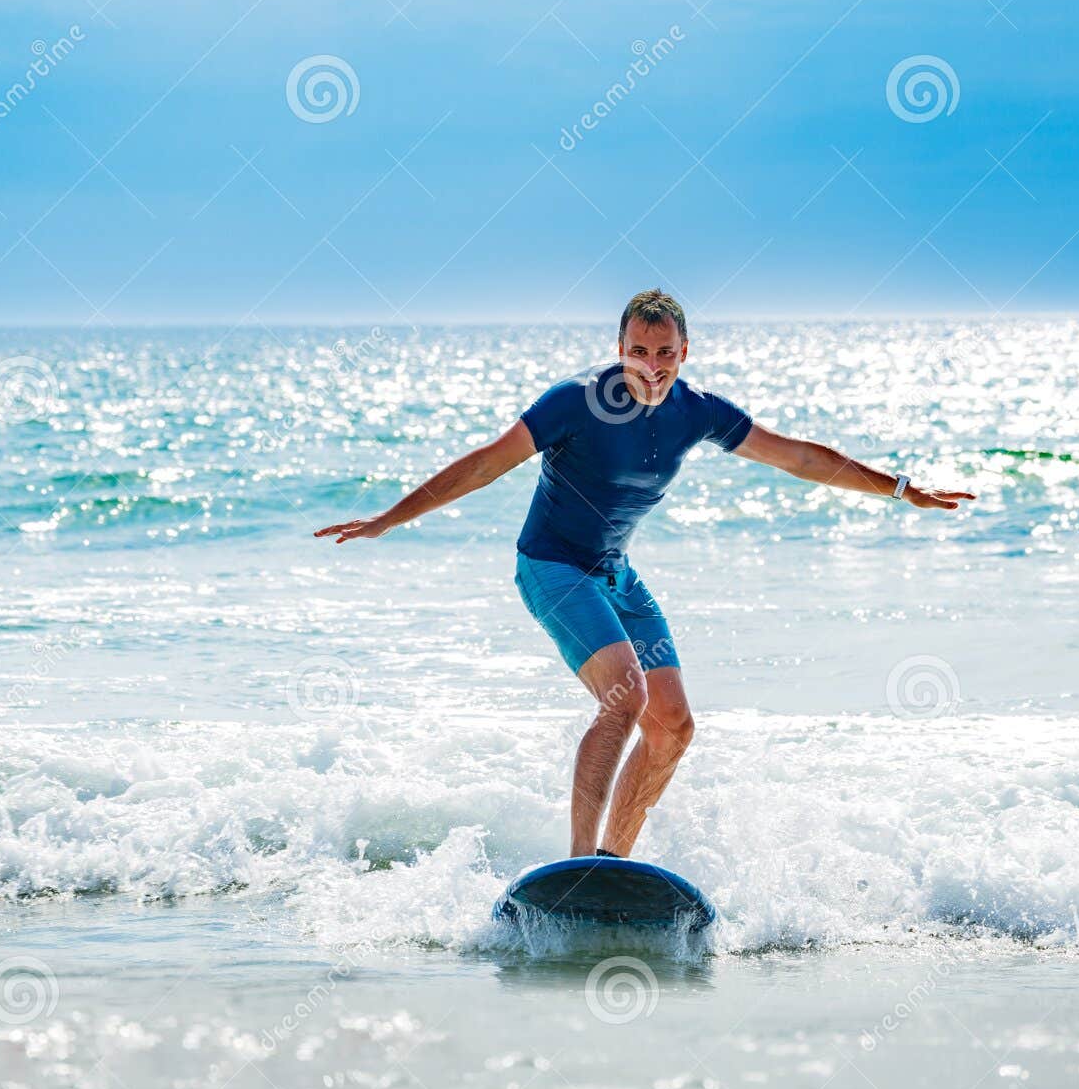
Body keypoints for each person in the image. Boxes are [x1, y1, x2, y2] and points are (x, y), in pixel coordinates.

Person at [315, 289, 974, 859]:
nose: (651, 369)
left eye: (664, 354)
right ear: (620, 347)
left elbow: (798, 458)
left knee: (674, 724)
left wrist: (901, 489)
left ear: (684, 352)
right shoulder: (575, 401)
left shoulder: (699, 411)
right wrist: (387, 519)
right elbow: (487, 464)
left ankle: (613, 867)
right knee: (624, 697)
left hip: (614, 576)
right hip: (551, 565)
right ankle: (573, 868)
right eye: (639, 352)